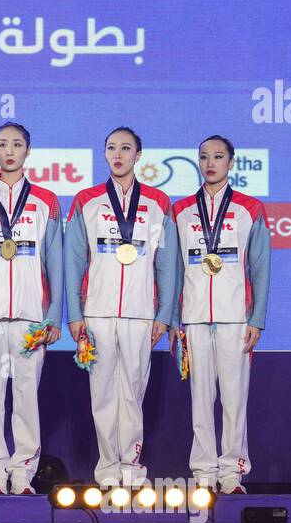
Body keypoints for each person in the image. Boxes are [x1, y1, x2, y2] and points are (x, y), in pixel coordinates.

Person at [64, 127, 178, 487]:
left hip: (141, 312)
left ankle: (131, 466)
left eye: (125, 148)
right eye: (111, 148)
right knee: (102, 394)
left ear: (138, 155)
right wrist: (75, 313)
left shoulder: (159, 202)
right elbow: (74, 261)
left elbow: (167, 263)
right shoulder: (87, 199)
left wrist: (164, 315)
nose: (118, 154)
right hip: (97, 312)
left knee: (132, 390)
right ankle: (107, 469)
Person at [0, 122, 62, 495]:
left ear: (28, 151)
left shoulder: (46, 200)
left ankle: (23, 474)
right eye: (2, 144)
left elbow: (56, 261)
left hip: (31, 317)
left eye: (16, 144)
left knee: (26, 397)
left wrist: (54, 315)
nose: (9, 150)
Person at [170, 135, 270, 495]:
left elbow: (259, 266)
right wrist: (173, 320)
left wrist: (256, 317)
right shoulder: (179, 210)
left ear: (231, 162)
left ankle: (232, 470)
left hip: (235, 317)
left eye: (217, 156)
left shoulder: (250, 208)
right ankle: (203, 469)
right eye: (203, 157)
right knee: (200, 396)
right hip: (194, 316)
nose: (210, 162)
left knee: (233, 395)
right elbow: (174, 269)